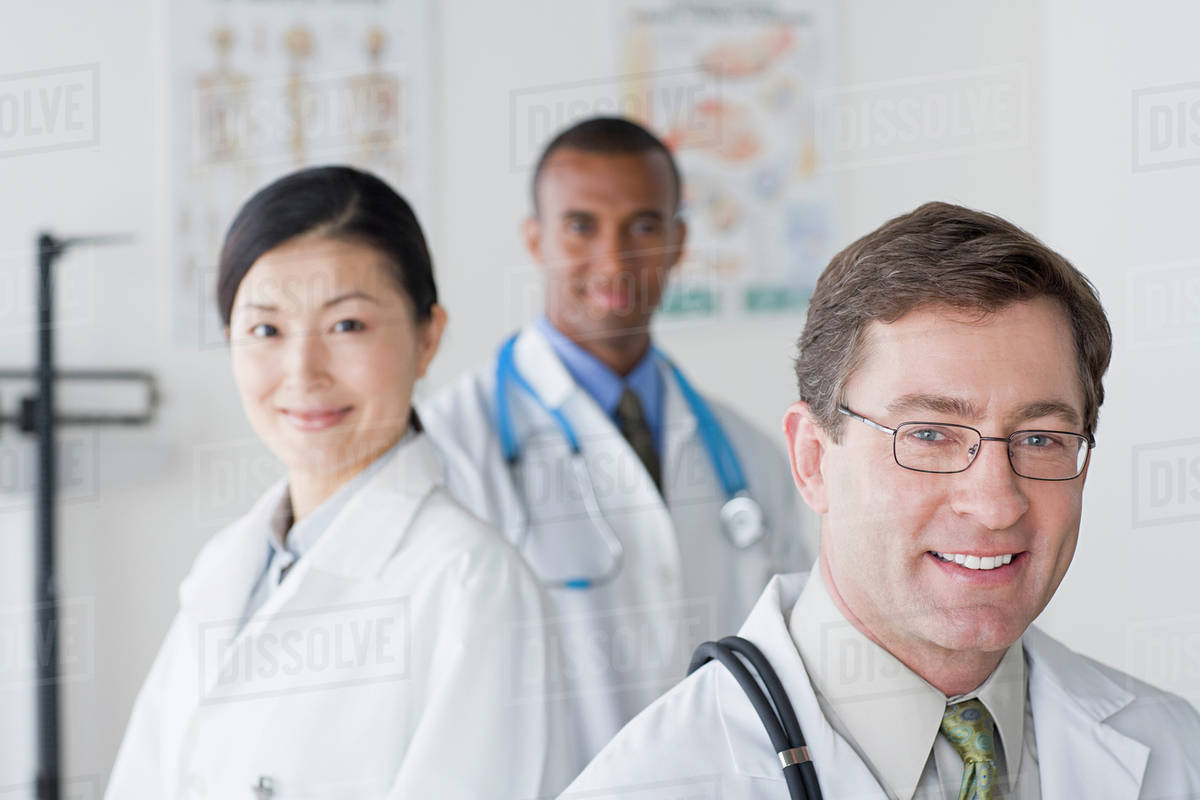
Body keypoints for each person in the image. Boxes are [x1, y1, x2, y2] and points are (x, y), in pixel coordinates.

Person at [558, 202, 1200, 799]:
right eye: (928, 435)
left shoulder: (1176, 751)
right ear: (812, 460)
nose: (996, 503)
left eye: (1040, 439)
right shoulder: (653, 782)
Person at [106, 166, 556, 799]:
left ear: (428, 337)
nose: (302, 371)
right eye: (266, 329)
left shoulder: (471, 584)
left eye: (347, 325)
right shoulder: (228, 568)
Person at [418, 116, 812, 770]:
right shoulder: (451, 445)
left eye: (643, 226)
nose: (614, 258)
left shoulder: (752, 455)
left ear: (679, 241)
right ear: (535, 238)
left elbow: (791, 661)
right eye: (580, 226)